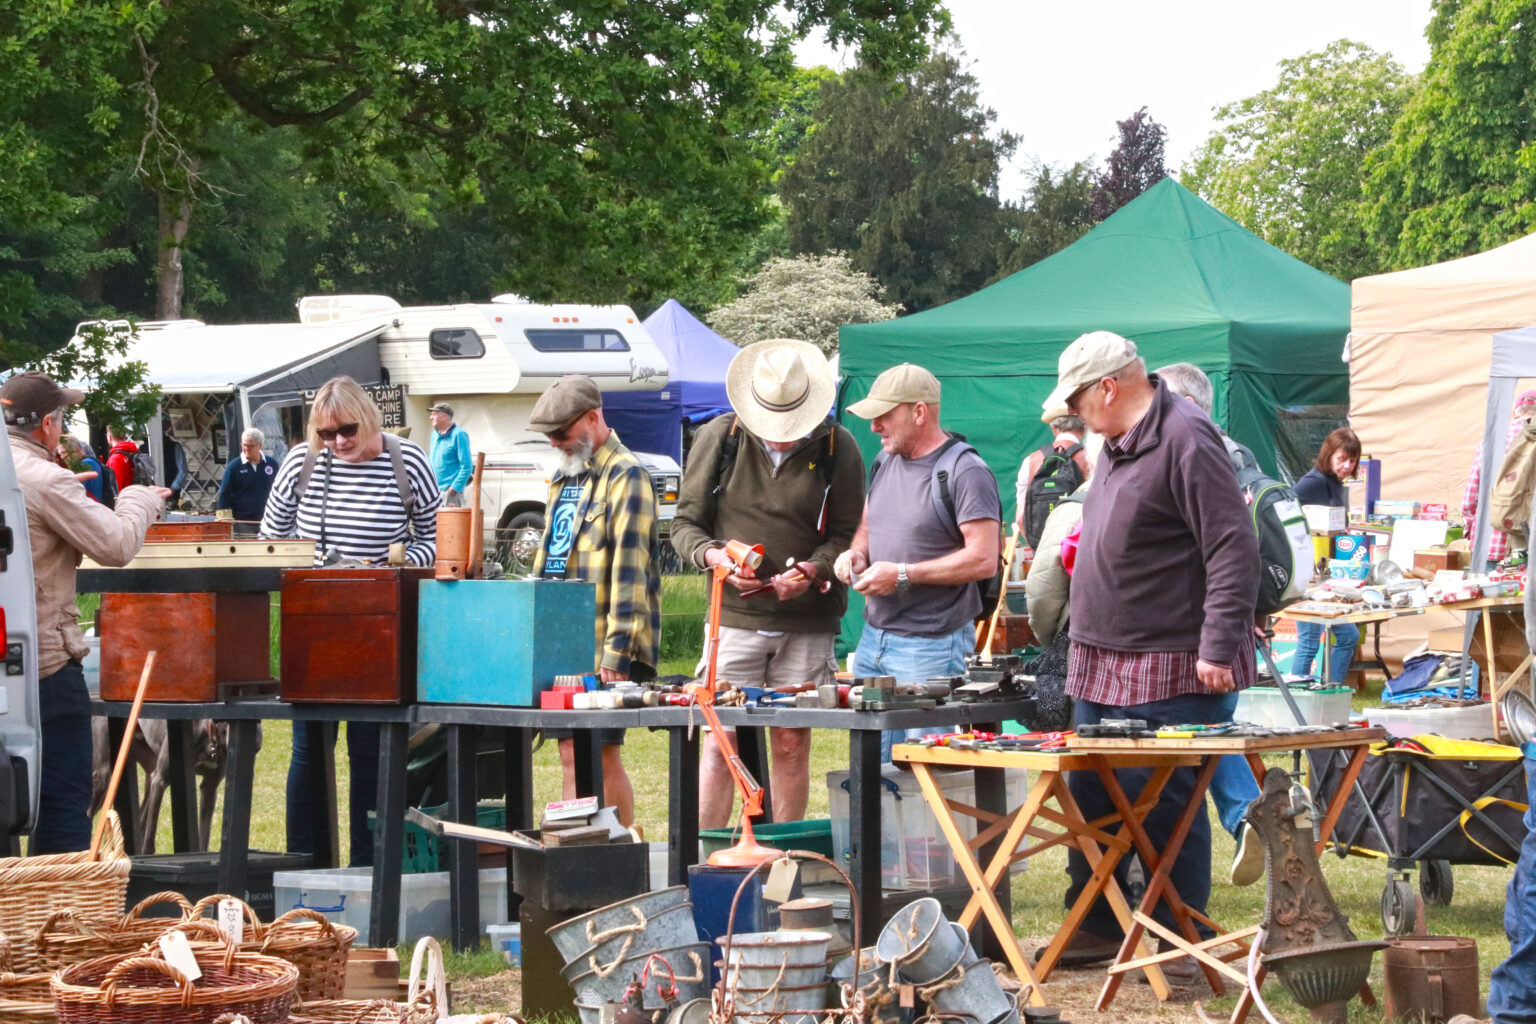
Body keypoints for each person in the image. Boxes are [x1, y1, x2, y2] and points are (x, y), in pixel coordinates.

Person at [1047, 332, 1259, 979]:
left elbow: (1232, 547)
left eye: (1079, 401)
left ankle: (1178, 946)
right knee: (1091, 793)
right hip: (1101, 654)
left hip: (1169, 657)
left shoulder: (1188, 438)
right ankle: (1098, 925)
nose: (1074, 415)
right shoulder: (1113, 441)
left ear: (1108, 386)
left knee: (1167, 807)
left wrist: (1219, 642)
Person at [671, 339, 864, 828]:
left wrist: (813, 572)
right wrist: (715, 556)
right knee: (720, 741)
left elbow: (847, 535)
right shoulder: (721, 437)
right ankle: (707, 855)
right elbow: (685, 525)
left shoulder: (840, 446)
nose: (779, 436)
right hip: (734, 618)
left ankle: (782, 854)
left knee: (792, 743)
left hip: (808, 620)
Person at [260, 376, 441, 865]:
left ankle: (371, 869)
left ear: (370, 417)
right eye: (326, 433)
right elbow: (270, 540)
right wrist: (315, 565)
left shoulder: (408, 462)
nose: (338, 442)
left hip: (380, 632)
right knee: (309, 753)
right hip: (314, 629)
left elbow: (437, 538)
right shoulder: (301, 463)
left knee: (370, 754)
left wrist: (389, 566)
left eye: (347, 430)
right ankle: (304, 870)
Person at [4, 372, 167, 852]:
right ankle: (58, 919)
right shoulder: (45, 480)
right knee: (62, 801)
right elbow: (116, 544)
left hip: (7, 664)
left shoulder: (23, 476)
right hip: (43, 668)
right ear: (49, 424)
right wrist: (139, 497)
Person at [833, 364, 1001, 760]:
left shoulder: (966, 470)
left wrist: (904, 576)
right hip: (875, 639)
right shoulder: (884, 461)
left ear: (920, 413)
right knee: (873, 768)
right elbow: (867, 527)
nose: (874, 427)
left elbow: (983, 560)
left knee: (924, 769)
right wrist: (855, 553)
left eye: (885, 415)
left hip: (932, 644)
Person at [529, 374, 660, 828]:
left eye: (562, 434)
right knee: (569, 755)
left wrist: (617, 653)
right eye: (550, 437)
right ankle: (578, 851)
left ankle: (618, 852)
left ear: (592, 417)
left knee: (601, 755)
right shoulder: (561, 478)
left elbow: (631, 572)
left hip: (605, 644)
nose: (556, 444)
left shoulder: (628, 476)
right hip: (560, 643)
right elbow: (549, 559)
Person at [1157, 360, 1266, 886]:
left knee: (1188, 756)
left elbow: (1229, 553)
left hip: (1197, 638)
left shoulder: (1197, 452)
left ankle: (1246, 818)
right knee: (1208, 739)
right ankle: (1250, 815)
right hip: (1219, 632)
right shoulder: (1238, 453)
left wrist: (1218, 641)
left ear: (1191, 405)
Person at [1291, 428, 1362, 685]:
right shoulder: (1313, 482)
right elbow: (1284, 518)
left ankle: (1330, 693)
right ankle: (1297, 703)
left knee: (1348, 637)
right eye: (1342, 458)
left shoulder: (1335, 483)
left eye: (1352, 460)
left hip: (1327, 577)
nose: (1347, 465)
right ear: (1329, 454)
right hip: (1307, 576)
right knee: (1309, 642)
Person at [1463, 390, 1536, 569]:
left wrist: (1470, 527)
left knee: (1491, 593)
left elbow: (1473, 491)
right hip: (1531, 540)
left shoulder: (1493, 440)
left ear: (1516, 412)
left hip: (1493, 539)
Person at [1014, 411, 1092, 545]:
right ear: (1084, 429)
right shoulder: (1090, 458)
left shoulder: (1030, 461)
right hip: (1079, 550)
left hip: (1042, 548)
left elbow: (1021, 518)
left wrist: (1037, 548)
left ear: (1053, 428)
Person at [217, 428, 280, 525]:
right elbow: (224, 494)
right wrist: (224, 520)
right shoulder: (234, 467)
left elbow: (280, 490)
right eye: (244, 445)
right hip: (242, 522)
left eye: (250, 446)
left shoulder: (272, 465)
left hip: (269, 520)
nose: (246, 449)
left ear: (260, 446)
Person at [428, 402, 472, 507]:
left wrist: (453, 489)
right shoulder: (434, 435)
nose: (431, 417)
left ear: (445, 416)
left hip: (449, 493)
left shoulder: (459, 434)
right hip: (434, 492)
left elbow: (467, 467)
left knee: (450, 524)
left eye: (434, 414)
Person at [57, 435, 107, 503]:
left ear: (77, 448)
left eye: (64, 452)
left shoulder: (85, 464)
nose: (62, 457)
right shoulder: (91, 462)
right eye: (60, 454)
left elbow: (71, 493)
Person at [105, 425, 139, 492]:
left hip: (124, 499)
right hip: (135, 497)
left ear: (109, 437)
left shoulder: (115, 459)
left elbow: (115, 488)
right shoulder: (133, 452)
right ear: (124, 436)